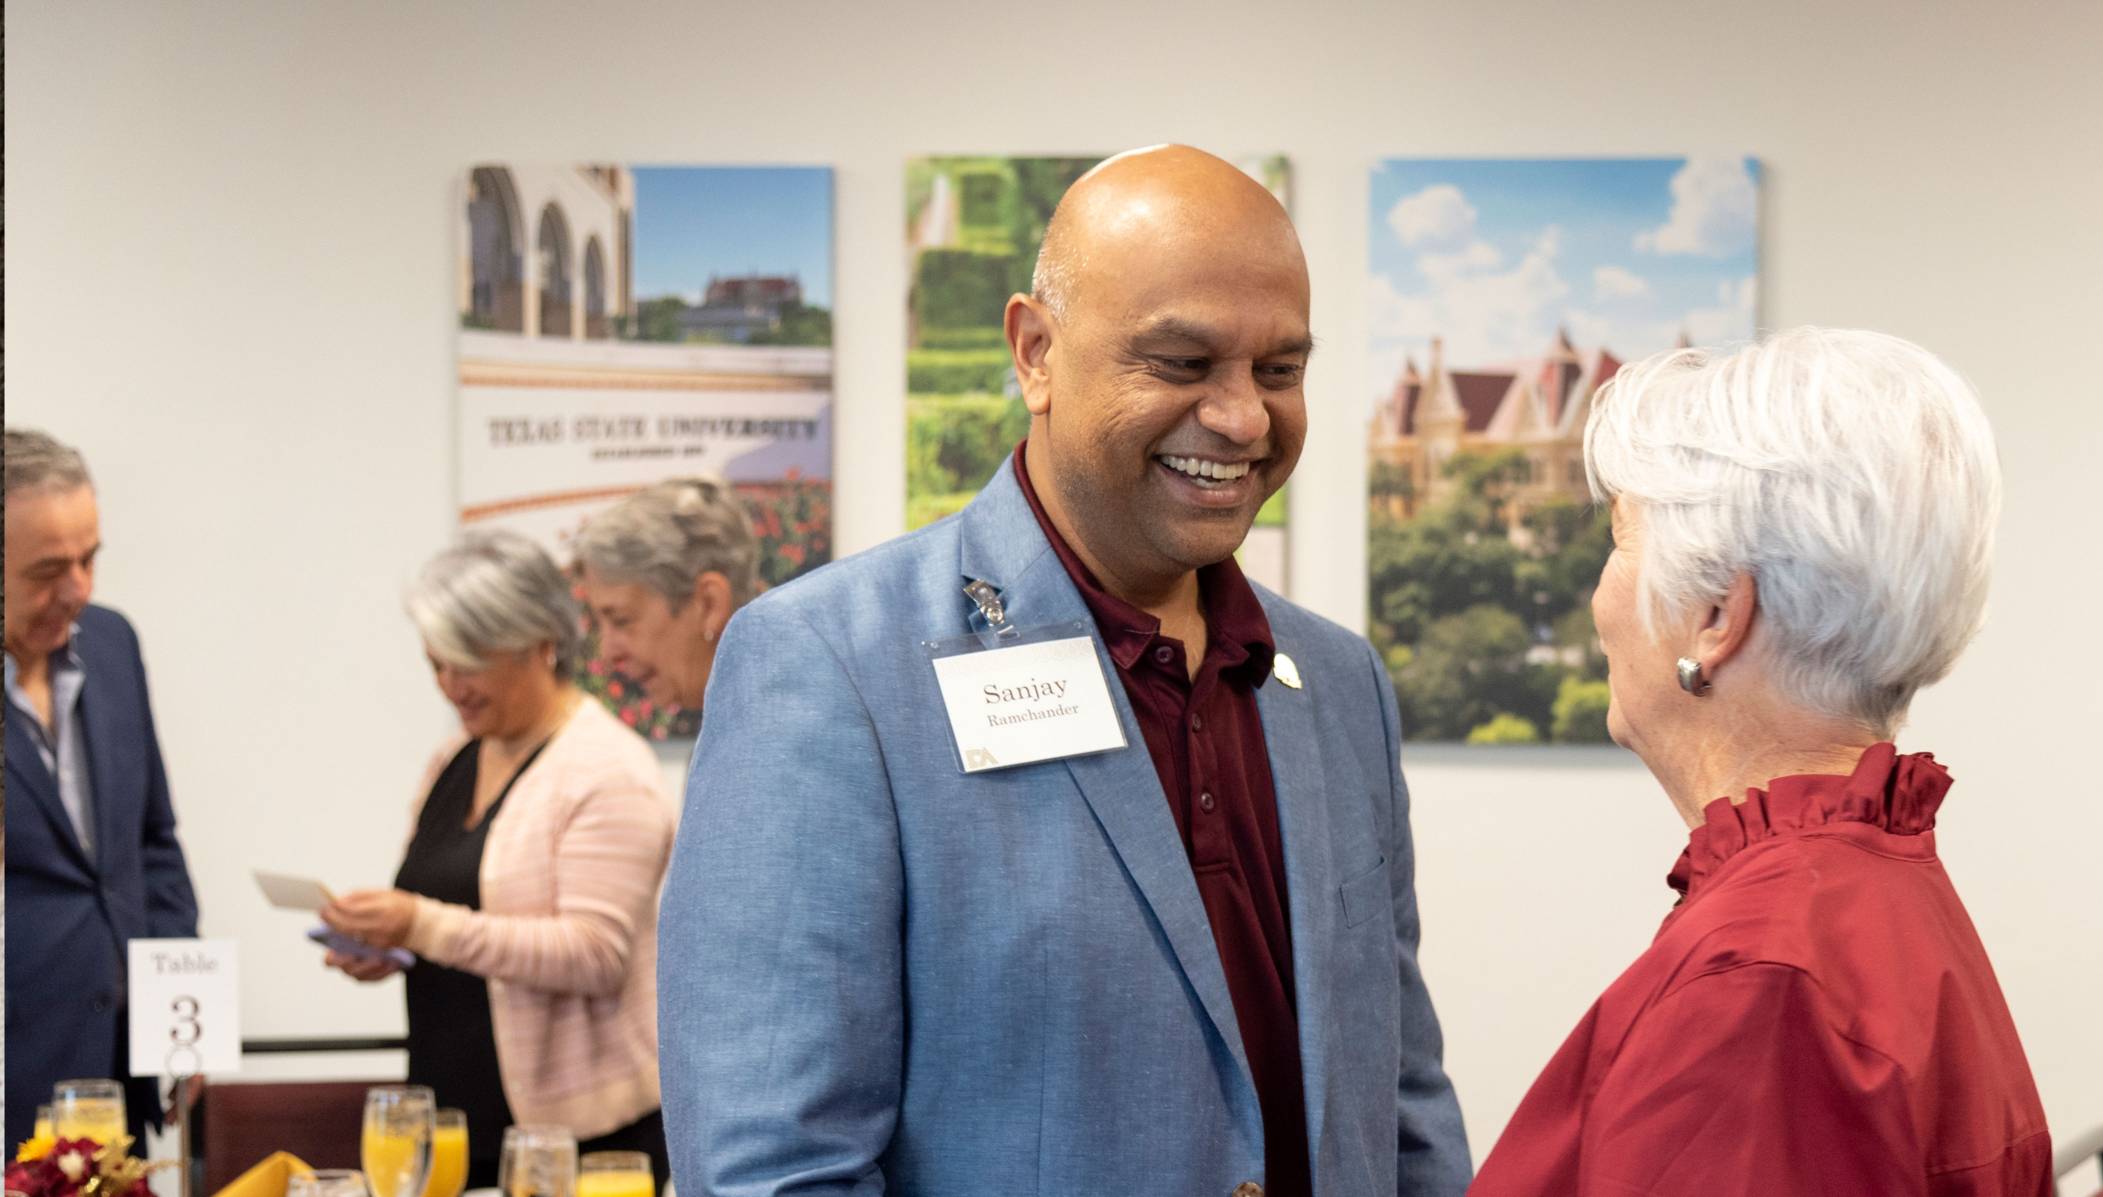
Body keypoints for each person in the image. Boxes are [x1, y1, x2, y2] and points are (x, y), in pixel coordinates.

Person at [661, 145, 1469, 1196]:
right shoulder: (828, 669)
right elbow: (773, 1170)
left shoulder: (1337, 683)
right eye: (1182, 364)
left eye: (1279, 370)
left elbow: (1402, 1103)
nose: (1242, 418)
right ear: (1035, 352)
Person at [1468, 329, 2050, 1195]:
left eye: (1621, 544)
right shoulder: (1866, 891)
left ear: (1716, 614)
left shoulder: (1759, 990)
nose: (1599, 598)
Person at [321, 530, 675, 1184]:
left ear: (541, 641)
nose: (450, 686)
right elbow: (456, 924)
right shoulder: (455, 757)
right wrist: (387, 946)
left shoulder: (608, 769)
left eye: (468, 662)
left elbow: (596, 953)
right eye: (436, 664)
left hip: (577, 1144)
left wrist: (419, 924)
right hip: (455, 1121)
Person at [3, 428, 200, 1147]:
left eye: (89, 558)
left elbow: (152, 846)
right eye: (48, 569)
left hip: (115, 1079)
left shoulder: (113, 644)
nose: (78, 588)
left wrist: (184, 1010)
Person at [577, 476, 762, 711]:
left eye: (621, 620)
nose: (607, 652)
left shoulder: (781, 736)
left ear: (709, 604)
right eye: (598, 624)